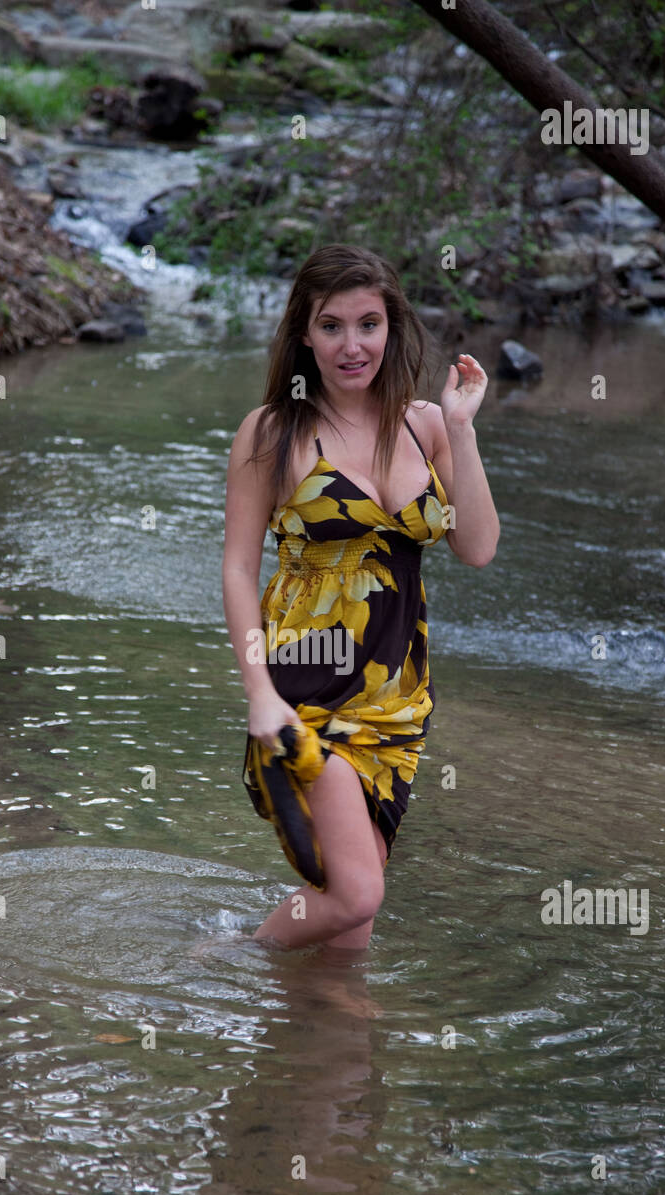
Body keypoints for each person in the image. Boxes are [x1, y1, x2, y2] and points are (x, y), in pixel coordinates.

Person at [222, 244, 499, 952]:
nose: (353, 346)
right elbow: (235, 569)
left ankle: (327, 1040)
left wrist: (463, 430)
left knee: (347, 940)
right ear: (304, 334)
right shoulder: (271, 431)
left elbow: (478, 547)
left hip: (399, 699)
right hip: (307, 681)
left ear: (391, 327)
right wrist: (258, 692)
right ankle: (227, 960)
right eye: (332, 326)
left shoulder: (426, 424)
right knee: (356, 894)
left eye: (368, 324)